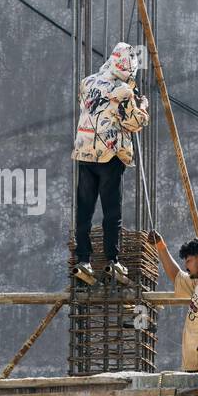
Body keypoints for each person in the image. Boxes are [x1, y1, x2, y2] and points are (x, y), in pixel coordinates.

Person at [70, 42, 150, 284]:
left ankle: (84, 260)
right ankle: (112, 260)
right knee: (111, 212)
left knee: (84, 210)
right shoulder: (123, 89)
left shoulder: (87, 82)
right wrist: (143, 106)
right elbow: (134, 122)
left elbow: (91, 109)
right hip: (110, 154)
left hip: (84, 153)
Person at [150, 231, 198, 372]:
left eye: (188, 261)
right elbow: (177, 277)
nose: (186, 266)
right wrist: (160, 246)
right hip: (196, 367)